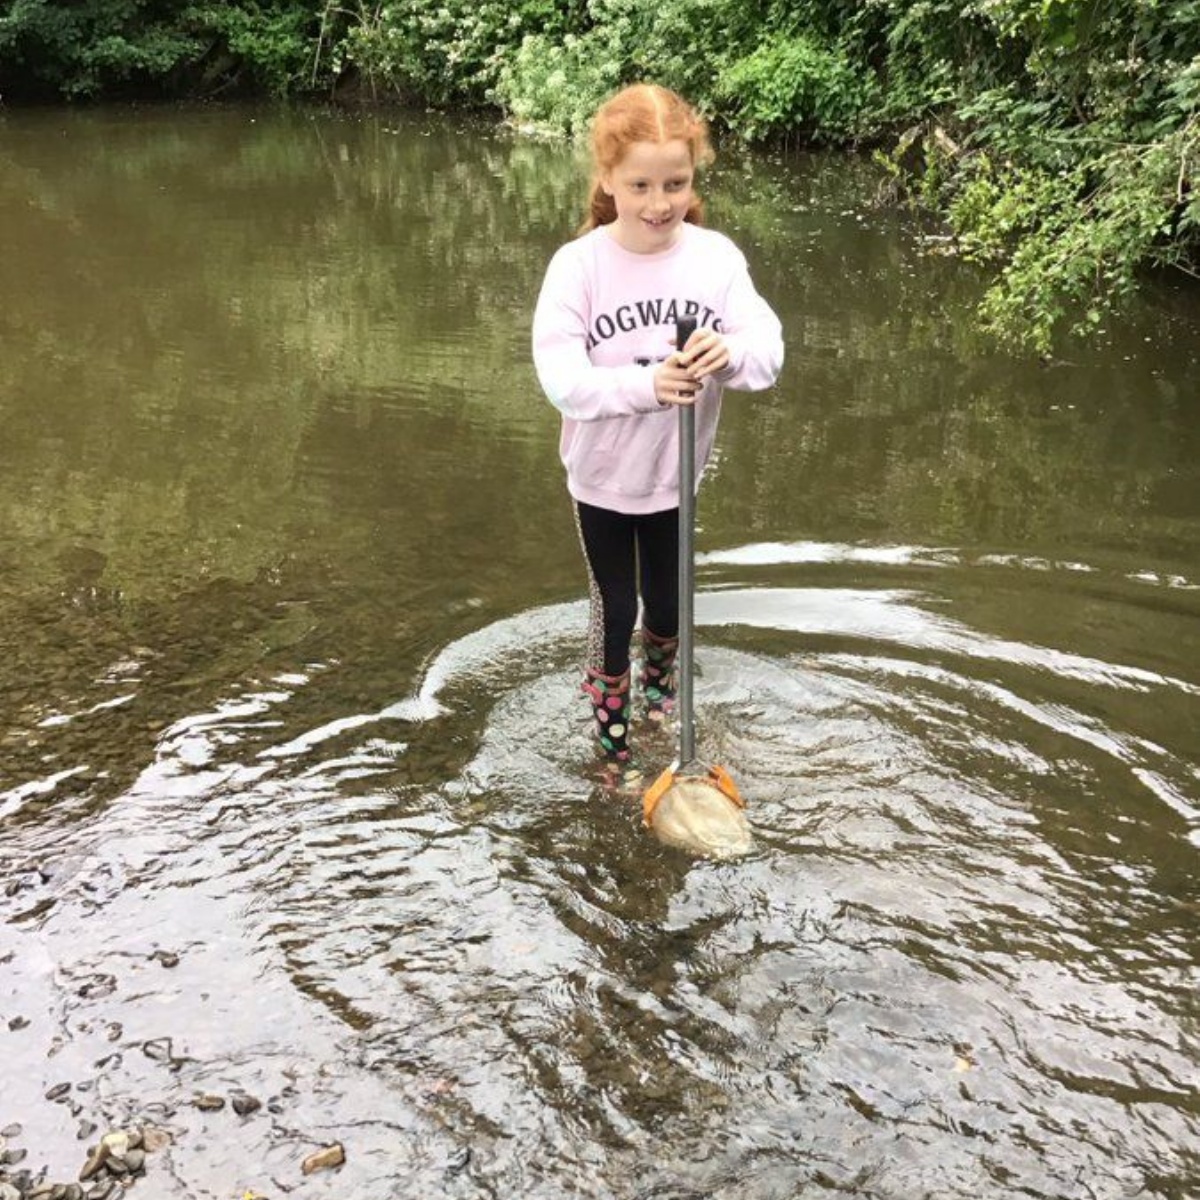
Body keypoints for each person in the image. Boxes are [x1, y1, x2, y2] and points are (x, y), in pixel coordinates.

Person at [532, 82, 784, 781]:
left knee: (669, 606)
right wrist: (647, 387)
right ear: (608, 179)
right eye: (640, 185)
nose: (659, 203)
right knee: (616, 613)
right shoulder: (578, 267)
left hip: (676, 479)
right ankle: (611, 752)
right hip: (602, 483)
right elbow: (561, 380)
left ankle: (657, 712)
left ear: (694, 175)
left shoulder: (715, 260)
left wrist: (728, 354)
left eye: (676, 183)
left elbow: (767, 352)